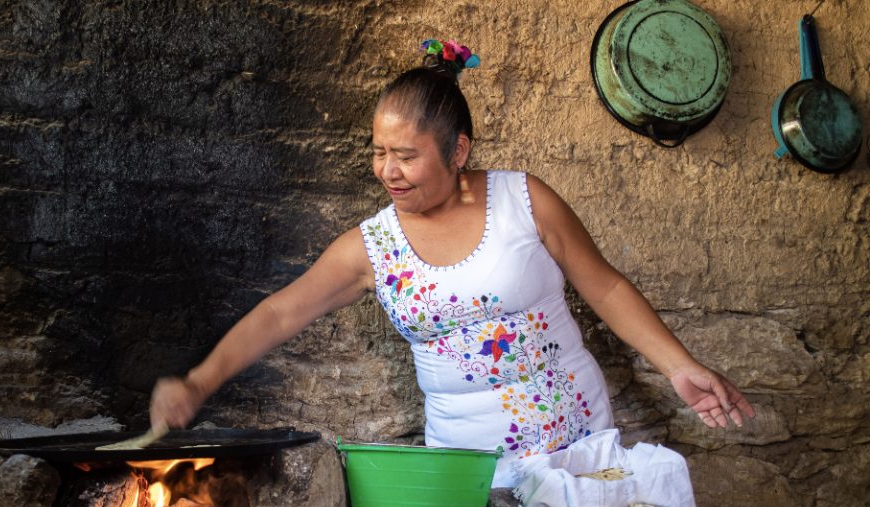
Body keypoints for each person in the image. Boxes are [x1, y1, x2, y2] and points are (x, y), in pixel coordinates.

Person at [150, 39, 755, 478]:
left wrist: (679, 367)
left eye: (407, 156)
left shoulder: (525, 199)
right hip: (469, 470)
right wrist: (200, 381)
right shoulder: (372, 246)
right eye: (379, 151)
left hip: (574, 444)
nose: (389, 171)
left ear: (457, 149)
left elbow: (606, 288)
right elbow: (281, 315)